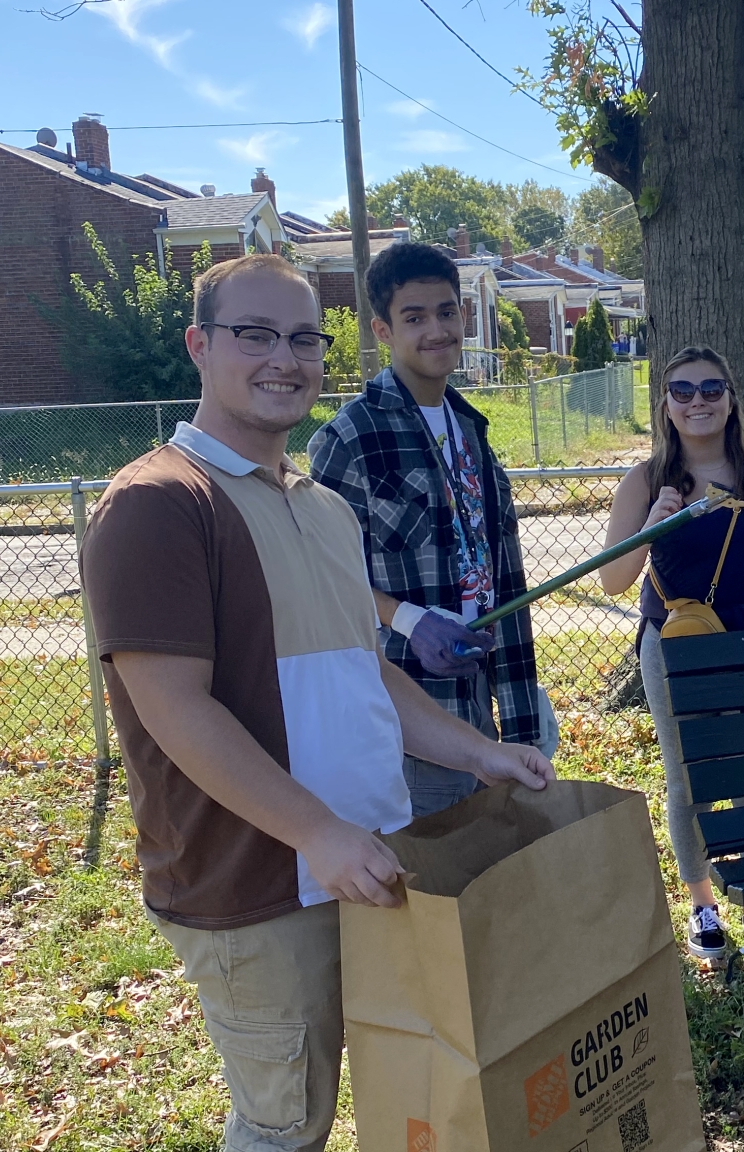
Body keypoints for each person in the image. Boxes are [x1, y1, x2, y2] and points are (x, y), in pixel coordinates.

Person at [81, 253, 554, 1152]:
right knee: (285, 1126)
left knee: (401, 1098)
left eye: (303, 339)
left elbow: (365, 677)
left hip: (371, 860)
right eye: (254, 335)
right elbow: (175, 711)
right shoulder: (158, 503)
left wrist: (480, 753)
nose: (283, 359)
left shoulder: (324, 507)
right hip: (259, 887)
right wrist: (317, 833)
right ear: (200, 345)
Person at [599, 346, 744, 962]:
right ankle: (703, 906)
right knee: (688, 779)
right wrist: (652, 523)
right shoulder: (645, 481)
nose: (697, 400)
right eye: (682, 390)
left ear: (730, 399)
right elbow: (613, 581)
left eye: (710, 388)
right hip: (675, 647)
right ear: (666, 406)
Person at [310, 242, 550, 819]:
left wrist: (522, 719)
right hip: (406, 726)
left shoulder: (471, 429)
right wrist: (409, 621)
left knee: (498, 866)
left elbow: (501, 576)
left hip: (482, 708)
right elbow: (320, 579)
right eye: (414, 318)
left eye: (446, 312)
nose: (436, 330)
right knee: (428, 874)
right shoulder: (350, 439)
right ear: (383, 331)